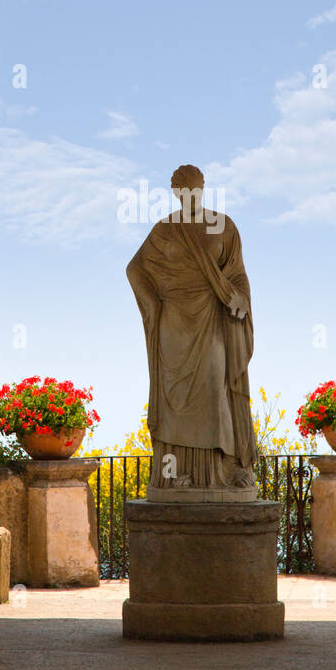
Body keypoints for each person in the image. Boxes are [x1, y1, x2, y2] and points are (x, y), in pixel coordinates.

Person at [126, 164, 257, 496]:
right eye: (182, 191)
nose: (189, 196)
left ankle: (221, 474)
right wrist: (154, 306)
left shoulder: (224, 227)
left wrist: (239, 298)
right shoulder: (164, 230)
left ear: (203, 188)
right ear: (174, 192)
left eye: (194, 189)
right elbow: (135, 269)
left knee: (216, 388)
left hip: (212, 320)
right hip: (173, 324)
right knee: (175, 400)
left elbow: (237, 274)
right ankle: (174, 475)